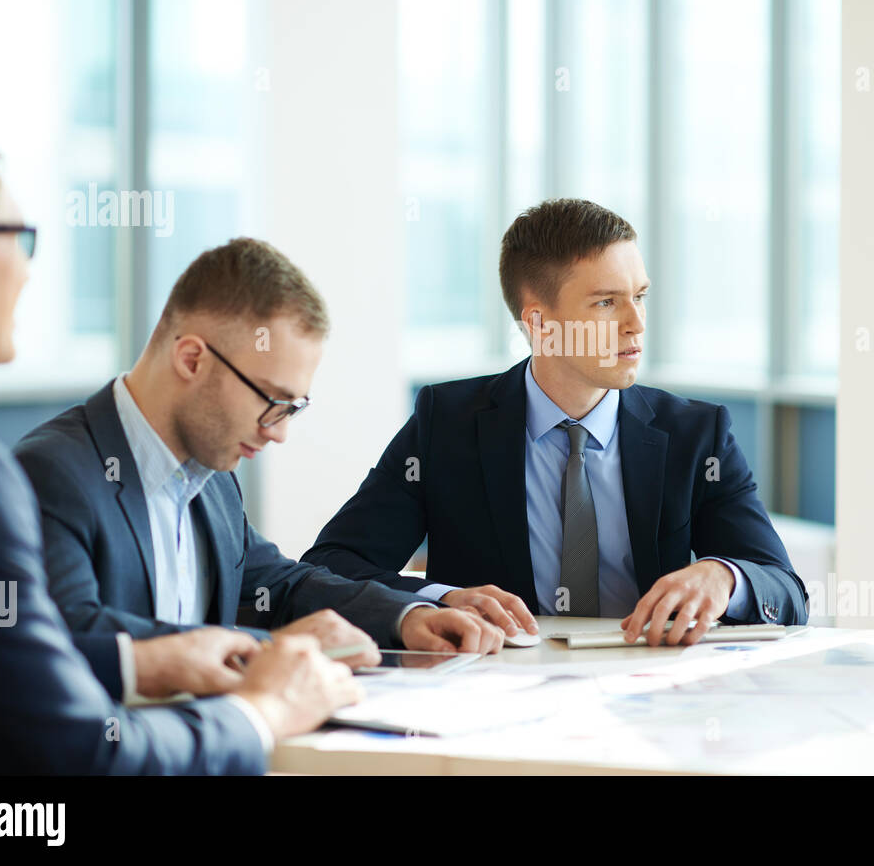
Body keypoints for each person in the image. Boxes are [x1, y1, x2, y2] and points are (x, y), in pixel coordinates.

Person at [0, 113, 358, 773]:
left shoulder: (212, 483)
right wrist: (260, 712)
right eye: (20, 238)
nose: (30, 273)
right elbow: (78, 753)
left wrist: (140, 660)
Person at [305, 198, 809, 647]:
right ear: (540, 324)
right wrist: (442, 597)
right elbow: (329, 565)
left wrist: (724, 576)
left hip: (652, 693)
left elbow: (784, 591)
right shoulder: (448, 424)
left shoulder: (697, 435)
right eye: (607, 302)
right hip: (498, 694)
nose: (637, 322)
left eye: (641, 295)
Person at [14, 237, 503, 657]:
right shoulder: (53, 474)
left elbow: (281, 584)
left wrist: (408, 615)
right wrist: (272, 651)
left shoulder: (211, 479)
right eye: (273, 400)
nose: (278, 431)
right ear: (191, 360)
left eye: (293, 407)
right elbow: (76, 638)